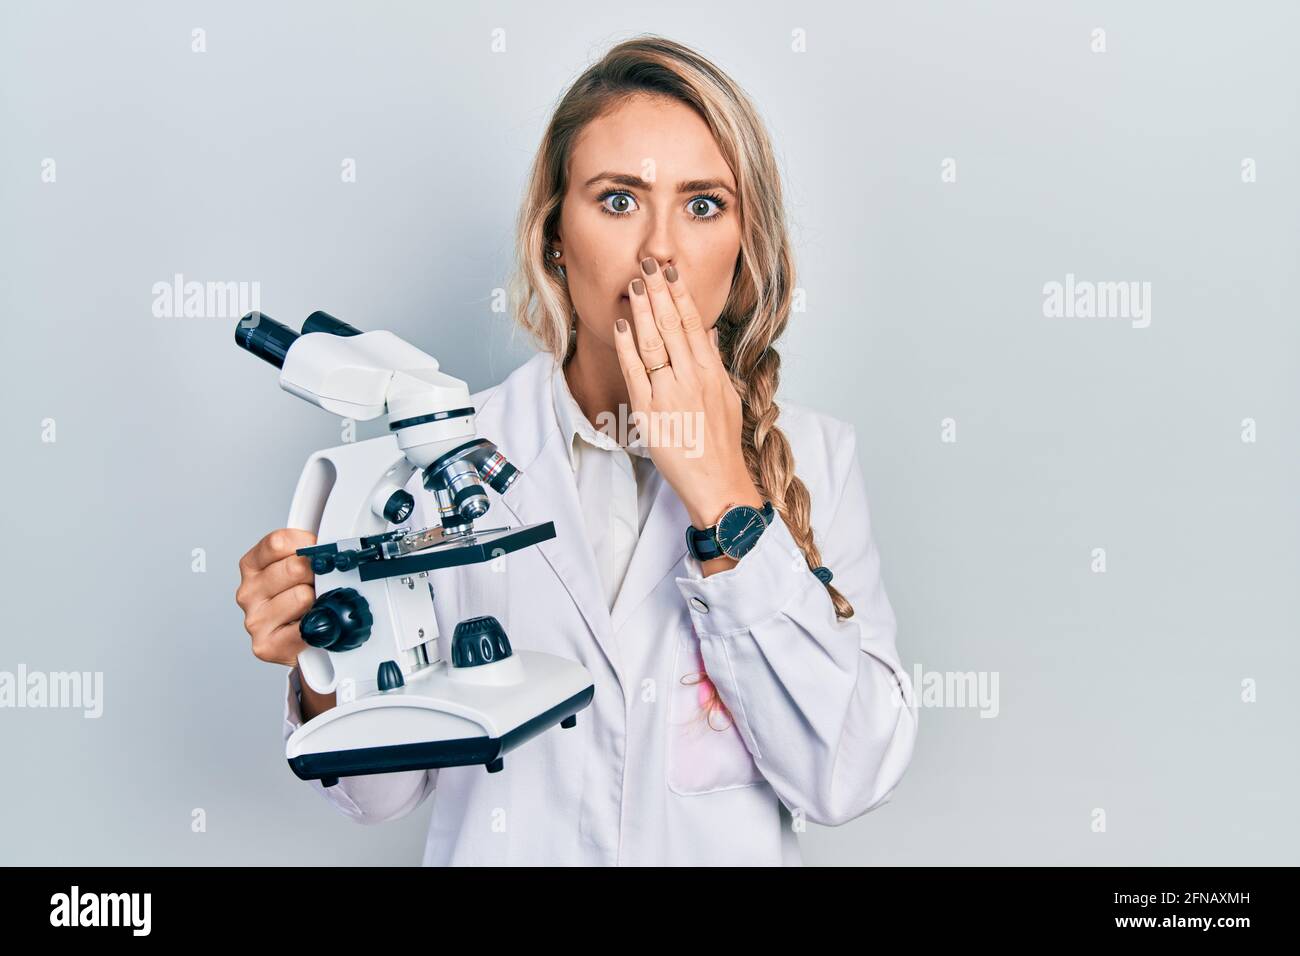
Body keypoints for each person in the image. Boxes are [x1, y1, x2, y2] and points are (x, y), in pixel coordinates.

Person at [235, 34, 918, 866]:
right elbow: (381, 793)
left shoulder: (818, 457)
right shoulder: (444, 464)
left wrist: (724, 496)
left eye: (704, 204)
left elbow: (847, 776)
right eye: (618, 200)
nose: (660, 250)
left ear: (743, 252)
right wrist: (322, 655)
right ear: (554, 235)